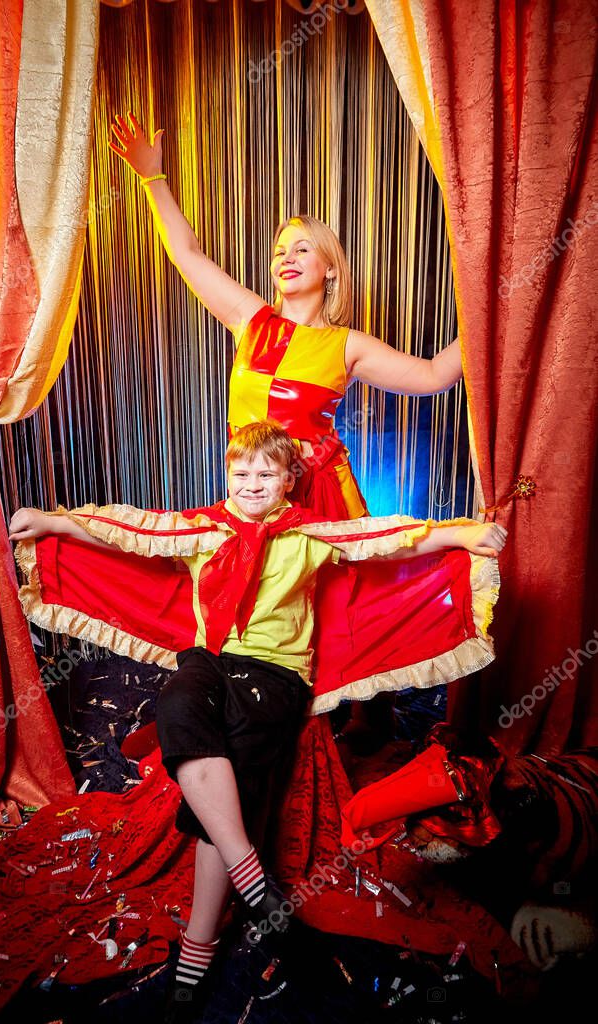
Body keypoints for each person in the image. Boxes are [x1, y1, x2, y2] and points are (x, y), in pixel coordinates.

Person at [9, 420, 507, 1021]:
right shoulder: (203, 527)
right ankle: (253, 879)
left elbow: (388, 540)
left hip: (276, 676)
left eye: (266, 474)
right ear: (226, 475)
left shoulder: (310, 535)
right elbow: (132, 531)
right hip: (210, 661)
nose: (252, 483)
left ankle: (198, 945)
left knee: (238, 777)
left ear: (289, 479)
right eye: (241, 473)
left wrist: (462, 534)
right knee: (177, 706)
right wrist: (54, 523)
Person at [108, 112, 465, 738]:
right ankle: (249, 713)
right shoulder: (252, 321)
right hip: (254, 488)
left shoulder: (346, 344)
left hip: (319, 494)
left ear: (331, 267)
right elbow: (187, 255)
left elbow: (436, 374)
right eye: (279, 250)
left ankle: (345, 721)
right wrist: (153, 178)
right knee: (249, 608)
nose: (286, 257)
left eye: (302, 248)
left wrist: (492, 307)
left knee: (335, 609)